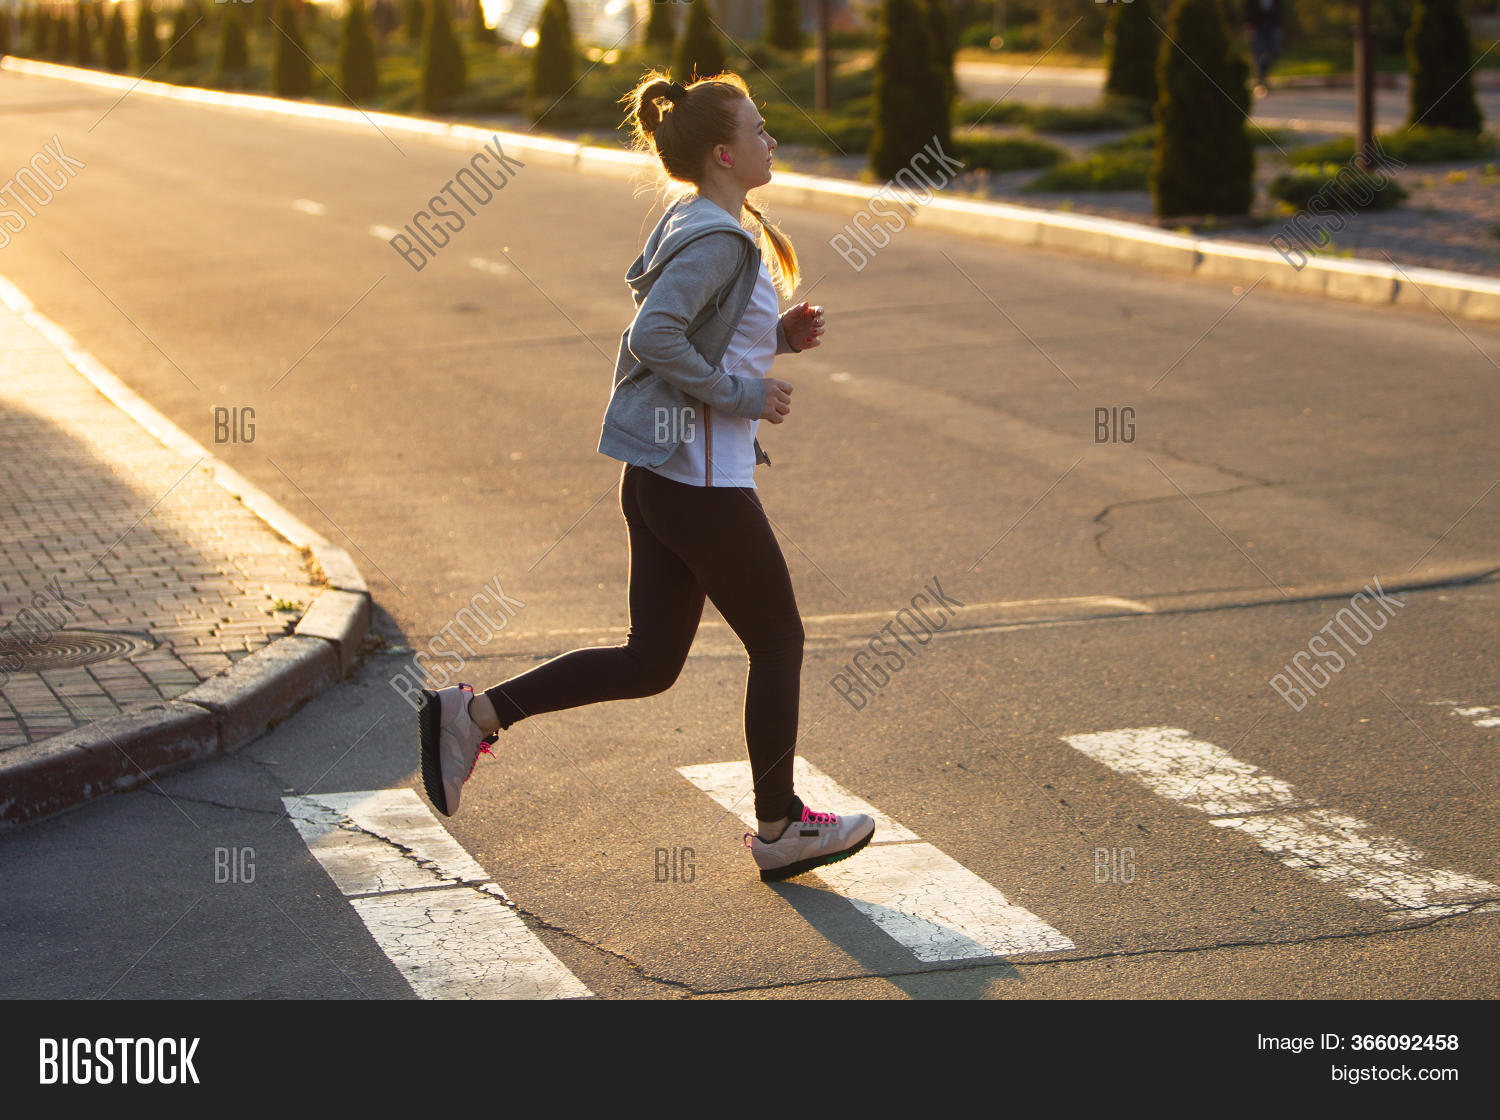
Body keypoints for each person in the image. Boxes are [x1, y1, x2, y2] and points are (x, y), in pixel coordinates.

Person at [418, 70, 875, 883]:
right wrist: (745, 391)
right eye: (761, 131)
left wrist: (776, 339)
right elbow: (656, 336)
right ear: (726, 154)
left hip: (665, 476)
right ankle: (779, 827)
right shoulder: (719, 235)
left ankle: (473, 714)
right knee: (778, 641)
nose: (774, 141)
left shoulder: (703, 218)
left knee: (649, 663)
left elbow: (701, 329)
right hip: (697, 481)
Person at [1244, 0, 1284, 96]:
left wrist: (1279, 26)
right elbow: (1247, 8)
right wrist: (1248, 25)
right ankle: (1261, 79)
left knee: (1274, 52)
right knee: (1259, 53)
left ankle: (1263, 75)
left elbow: (1280, 9)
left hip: (1272, 25)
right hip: (1257, 26)